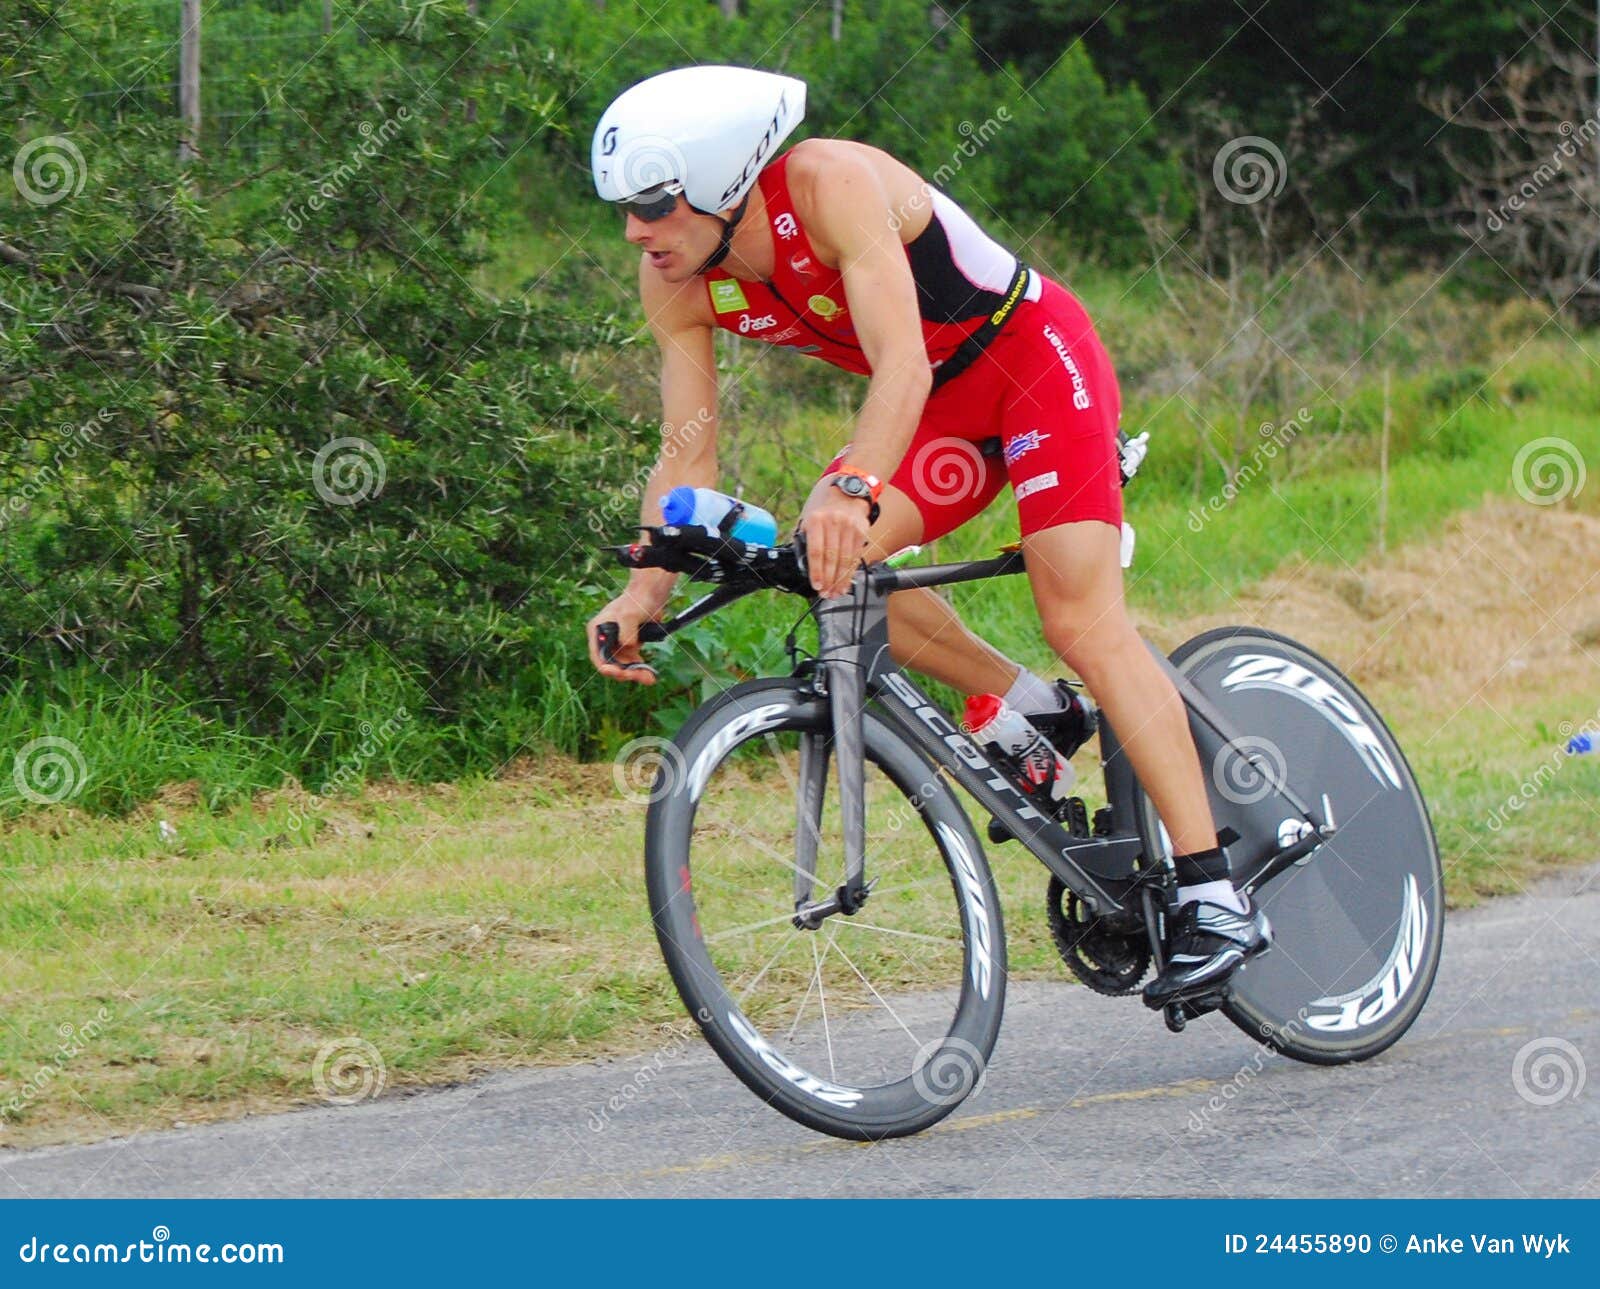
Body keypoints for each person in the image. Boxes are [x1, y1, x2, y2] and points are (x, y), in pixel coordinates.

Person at [583, 65, 1268, 1008]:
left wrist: (852, 484)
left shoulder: (828, 186)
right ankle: (1040, 708)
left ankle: (1212, 889)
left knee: (1079, 615)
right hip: (943, 417)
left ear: (721, 178)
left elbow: (901, 359)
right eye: (622, 209)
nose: (634, 231)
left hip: (1030, 360)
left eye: (652, 205)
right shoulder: (677, 282)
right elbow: (686, 458)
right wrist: (643, 588)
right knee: (833, 572)